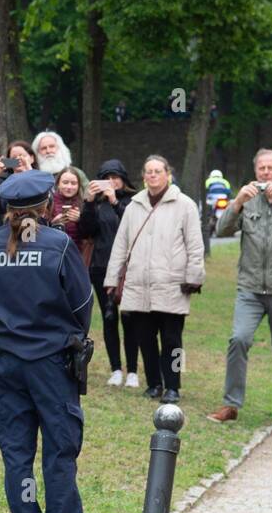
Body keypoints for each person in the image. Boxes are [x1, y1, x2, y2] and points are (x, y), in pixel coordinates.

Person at [0, 170, 94, 513]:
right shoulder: (58, 244)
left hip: (8, 364)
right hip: (51, 364)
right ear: (46, 206)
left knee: (17, 456)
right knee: (59, 455)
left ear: (7, 207)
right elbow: (81, 305)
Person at [207, 149, 272, 435]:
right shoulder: (248, 201)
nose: (266, 173)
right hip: (250, 287)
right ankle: (231, 404)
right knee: (238, 339)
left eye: (271, 168)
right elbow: (222, 230)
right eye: (261, 168)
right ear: (256, 172)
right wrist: (237, 202)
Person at [103, 155, 205, 404]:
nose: (152, 175)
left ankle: (173, 385)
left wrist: (194, 277)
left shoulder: (185, 205)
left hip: (171, 283)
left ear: (168, 174)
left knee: (173, 340)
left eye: (157, 171)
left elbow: (195, 244)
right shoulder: (134, 206)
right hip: (139, 283)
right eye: (148, 171)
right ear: (143, 176)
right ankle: (153, 383)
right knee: (145, 338)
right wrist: (112, 278)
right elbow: (121, 245)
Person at [78, 158, 138, 388]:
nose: (111, 182)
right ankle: (116, 369)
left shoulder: (133, 201)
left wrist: (115, 202)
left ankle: (133, 370)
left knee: (130, 318)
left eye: (115, 178)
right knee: (109, 317)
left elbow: (132, 225)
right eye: (106, 179)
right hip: (101, 266)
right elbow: (86, 230)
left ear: (123, 179)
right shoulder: (96, 204)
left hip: (129, 268)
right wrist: (90, 203)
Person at [0, 140, 36, 221]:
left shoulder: (41, 178)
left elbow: (47, 202)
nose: (19, 160)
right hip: (5, 225)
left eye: (22, 156)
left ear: (32, 158)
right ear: (9, 162)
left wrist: (30, 173)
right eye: (14, 158)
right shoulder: (2, 181)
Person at [49, 166, 92, 268]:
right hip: (53, 254)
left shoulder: (85, 204)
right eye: (65, 182)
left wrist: (80, 220)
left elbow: (90, 234)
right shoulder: (49, 203)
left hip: (77, 255)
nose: (69, 187)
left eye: (73, 183)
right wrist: (53, 224)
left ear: (79, 185)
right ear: (58, 184)